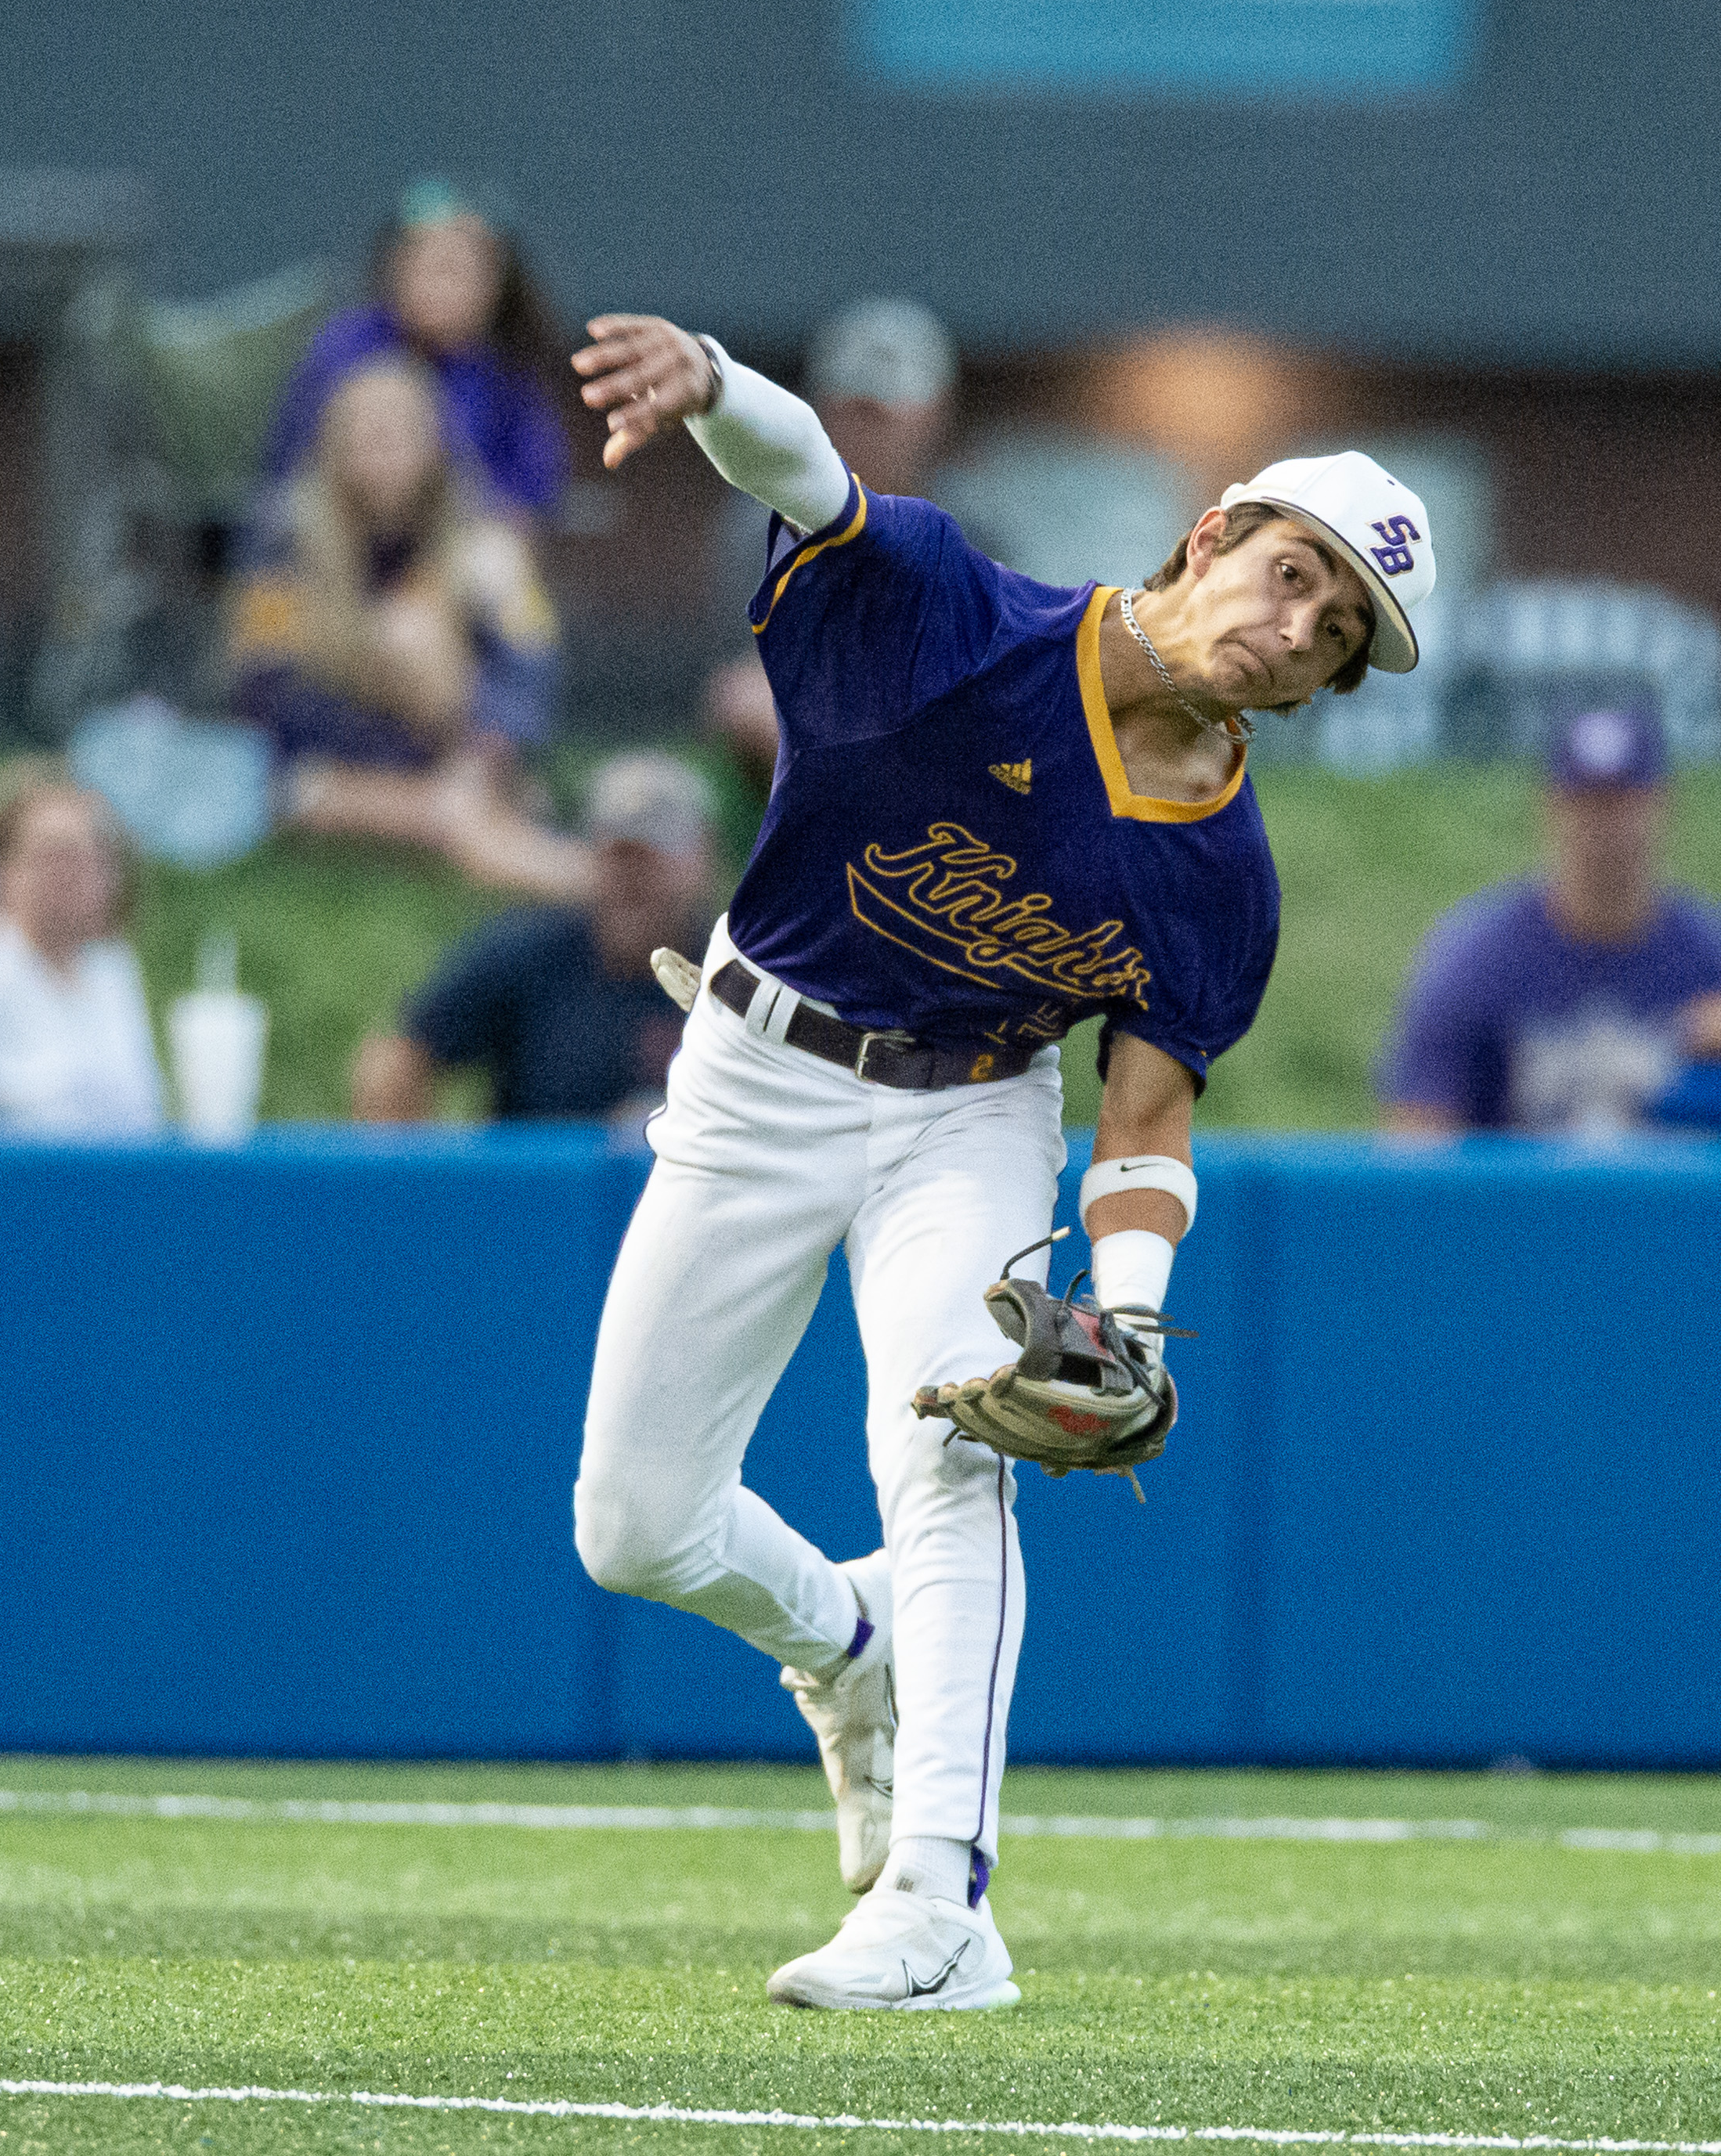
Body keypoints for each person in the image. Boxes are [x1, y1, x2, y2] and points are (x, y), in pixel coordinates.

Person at [566, 312, 1437, 2011]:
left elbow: (1147, 1114)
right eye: (1295, 575)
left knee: (952, 1445)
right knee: (635, 1526)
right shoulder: (961, 615)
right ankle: (851, 1641)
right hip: (752, 1071)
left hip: (968, 1111)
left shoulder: (1220, 873)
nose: (1297, 631)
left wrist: (1126, 1310)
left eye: (1337, 633)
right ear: (1212, 535)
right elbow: (813, 481)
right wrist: (716, 384)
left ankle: (944, 1906)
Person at [232, 355, 587, 900]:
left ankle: (502, 831)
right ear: (334, 447)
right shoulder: (282, 539)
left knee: (430, 622)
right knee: (446, 802)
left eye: (398, 438)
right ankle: (576, 876)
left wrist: (485, 752)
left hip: (457, 749)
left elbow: (532, 662)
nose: (381, 458)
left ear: (433, 446)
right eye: (365, 440)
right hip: (328, 767)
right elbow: (260, 685)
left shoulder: (484, 536)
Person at [1378, 703, 1721, 1134]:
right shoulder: (1480, 957)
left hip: (1666, 1179)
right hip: (1515, 1180)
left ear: (1664, 806)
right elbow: (1415, 1136)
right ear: (1551, 807)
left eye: (1623, 803)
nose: (1605, 827)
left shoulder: (1707, 952)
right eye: (1587, 804)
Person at [701, 299, 961, 860]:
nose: (865, 430)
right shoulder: (766, 522)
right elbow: (745, 685)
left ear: (931, 414)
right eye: (852, 409)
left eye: (882, 413)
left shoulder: (967, 531)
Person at [352, 754, 714, 1130]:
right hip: (539, 1168)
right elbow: (397, 1059)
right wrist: (420, 1166)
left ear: (700, 860)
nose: (630, 879)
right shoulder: (532, 953)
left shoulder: (730, 971)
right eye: (617, 857)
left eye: (650, 861)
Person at [265, 178, 572, 517]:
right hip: (340, 528)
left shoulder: (505, 368)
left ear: (494, 288)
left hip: (461, 534)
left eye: (459, 272)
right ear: (395, 269)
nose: (441, 288)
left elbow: (538, 484)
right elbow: (290, 474)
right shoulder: (345, 347)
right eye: (429, 267)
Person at [0, 772, 164, 1137]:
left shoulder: (112, 968)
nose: (75, 874)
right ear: (5, 869)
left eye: (91, 856)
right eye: (56, 856)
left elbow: (143, 1112)